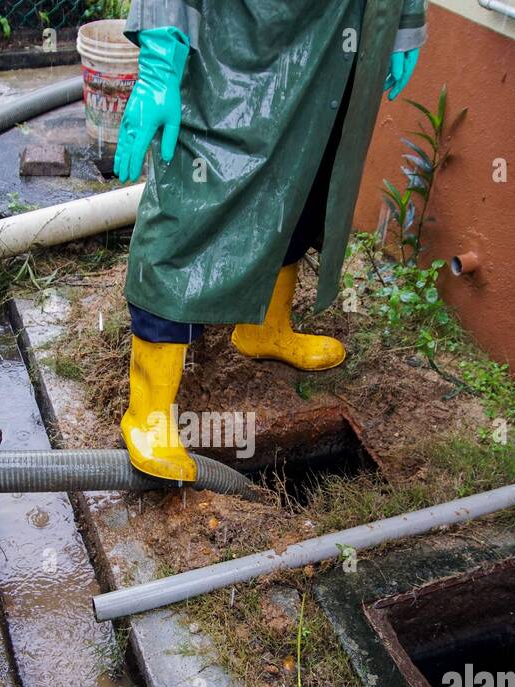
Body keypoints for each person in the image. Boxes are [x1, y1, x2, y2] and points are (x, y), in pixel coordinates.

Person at [112, 0, 428, 481]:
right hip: (240, 40)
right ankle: (149, 411)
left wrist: (404, 21)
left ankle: (266, 329)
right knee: (192, 203)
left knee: (308, 176)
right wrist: (159, 58)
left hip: (346, 35)